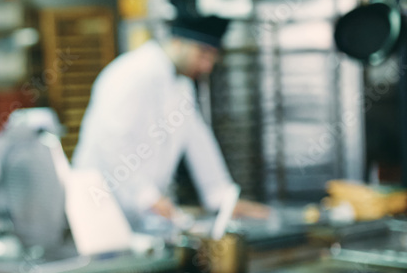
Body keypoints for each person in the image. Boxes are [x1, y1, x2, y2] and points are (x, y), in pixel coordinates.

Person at [72, 15, 270, 230]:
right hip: (101, 204)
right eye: (202, 53)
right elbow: (111, 143)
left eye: (213, 57)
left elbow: (199, 143)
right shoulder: (129, 74)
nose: (207, 66)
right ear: (177, 42)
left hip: (143, 214)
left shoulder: (182, 87)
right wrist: (146, 196)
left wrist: (222, 196)